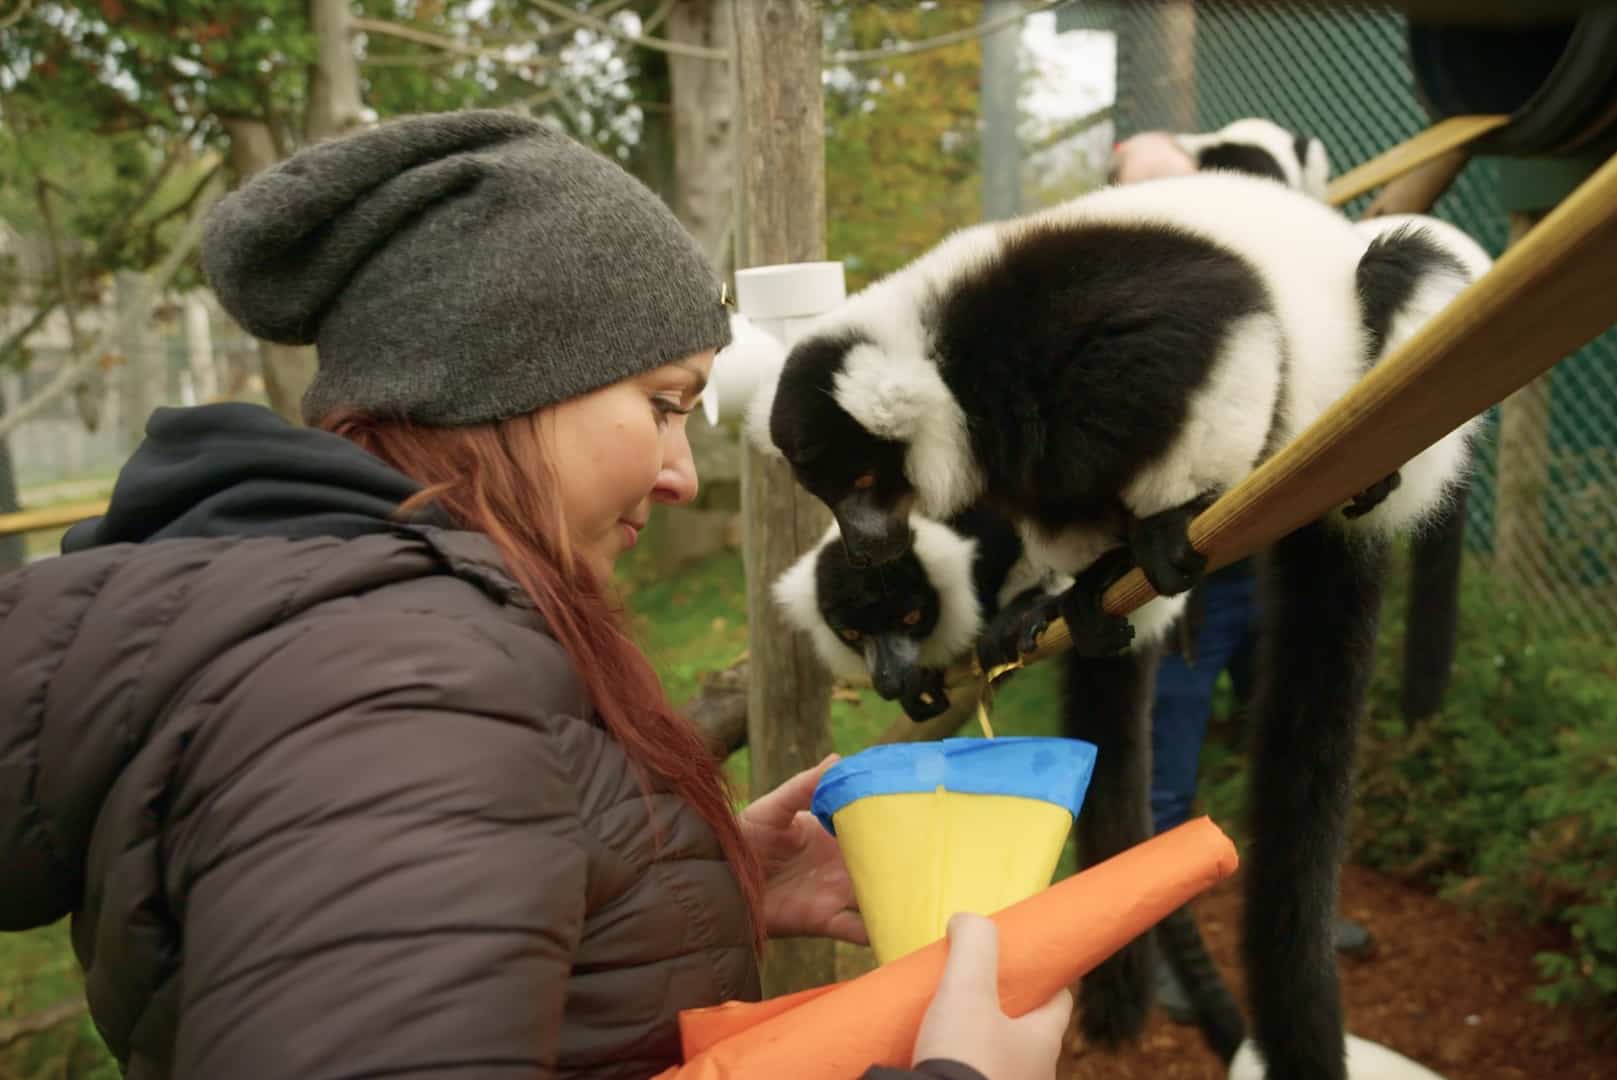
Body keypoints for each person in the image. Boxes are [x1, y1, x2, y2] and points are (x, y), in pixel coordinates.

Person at [0, 109, 1068, 1080]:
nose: (681, 472)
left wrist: (666, 879)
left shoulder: (368, 657)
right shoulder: (403, 696)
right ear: (499, 382)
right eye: (661, 403)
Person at [1105, 127, 1378, 1025]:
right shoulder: (1101, 299)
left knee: (1297, 754)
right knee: (1164, 776)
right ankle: (1159, 952)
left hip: (1283, 564)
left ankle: (1300, 917)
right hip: (1179, 591)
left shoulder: (1254, 266)